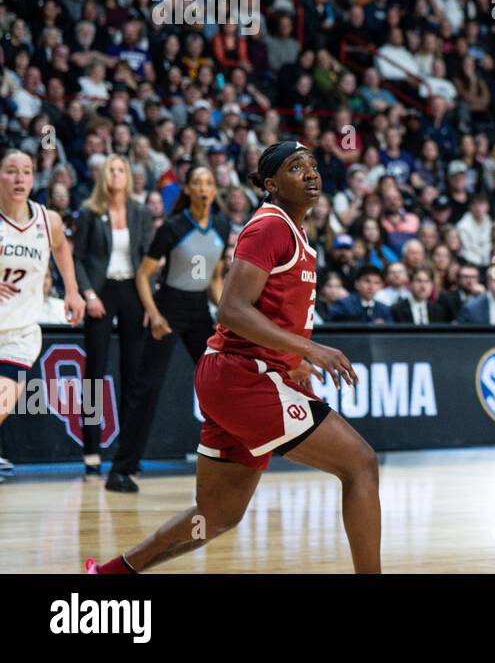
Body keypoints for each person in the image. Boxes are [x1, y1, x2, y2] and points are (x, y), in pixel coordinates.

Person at [86, 142, 381, 573]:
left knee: (216, 517)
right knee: (361, 465)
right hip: (245, 377)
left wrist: (293, 360)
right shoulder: (270, 227)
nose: (311, 174)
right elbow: (231, 309)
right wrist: (310, 348)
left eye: (313, 166)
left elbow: (272, 312)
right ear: (271, 184)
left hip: (233, 376)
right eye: (296, 168)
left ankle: (109, 574)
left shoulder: (293, 231)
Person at [114, 166, 231, 492]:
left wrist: (224, 314)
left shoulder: (222, 225)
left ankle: (228, 459)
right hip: (168, 307)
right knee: (147, 387)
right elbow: (142, 275)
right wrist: (154, 314)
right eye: (197, 182)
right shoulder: (172, 228)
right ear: (188, 190)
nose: (204, 187)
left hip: (199, 311)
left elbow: (215, 278)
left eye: (208, 182)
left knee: (219, 382)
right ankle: (121, 469)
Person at [0, 150, 85, 480]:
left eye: (26, 171)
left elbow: (62, 249)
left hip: (19, 335)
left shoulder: (47, 220)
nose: (20, 178)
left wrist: (73, 290)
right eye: (11, 171)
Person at [73, 153, 151, 478]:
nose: (117, 175)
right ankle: (91, 450)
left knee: (132, 375)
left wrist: (150, 304)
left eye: (121, 170)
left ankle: (127, 454)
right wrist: (88, 294)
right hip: (100, 294)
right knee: (94, 373)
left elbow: (148, 261)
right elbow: (76, 258)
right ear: (103, 176)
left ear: (128, 177)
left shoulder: (140, 212)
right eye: (112, 170)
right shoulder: (90, 212)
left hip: (132, 291)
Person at [327, 265, 393, 324]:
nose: (371, 286)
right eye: (367, 281)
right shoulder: (342, 304)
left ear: (381, 286)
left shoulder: (384, 309)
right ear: (356, 284)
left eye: (376, 283)